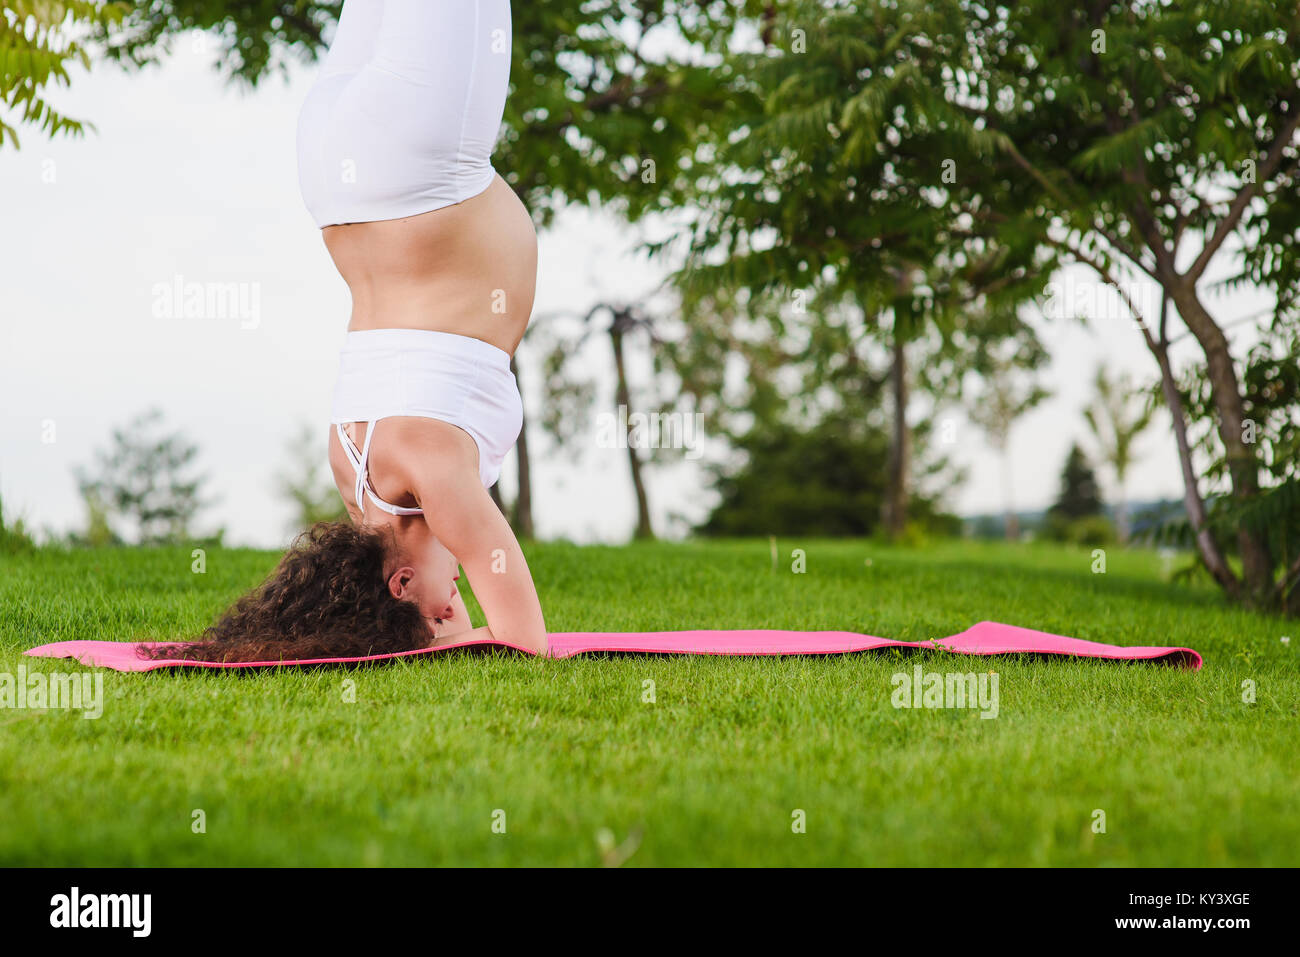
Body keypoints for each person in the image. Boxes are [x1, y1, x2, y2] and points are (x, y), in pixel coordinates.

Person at [147, 0, 547, 663]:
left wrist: (450, 632)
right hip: (332, 166)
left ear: (400, 584)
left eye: (444, 614)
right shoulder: (352, 466)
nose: (459, 605)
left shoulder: (431, 467)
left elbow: (526, 639)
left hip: (415, 160)